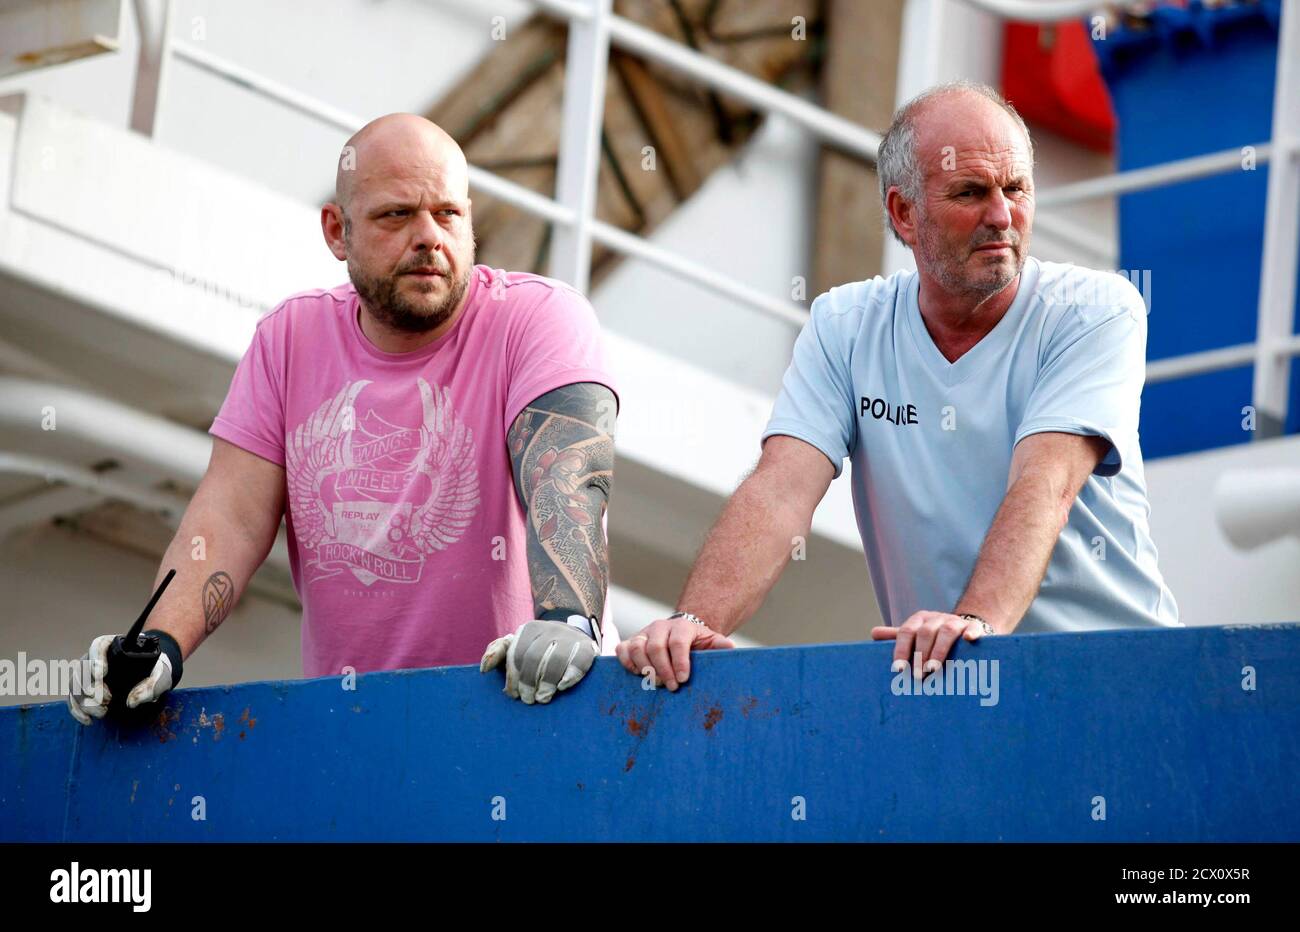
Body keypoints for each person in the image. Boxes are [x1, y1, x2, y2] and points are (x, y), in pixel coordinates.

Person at [617, 80, 1179, 691]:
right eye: (971, 192)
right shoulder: (843, 324)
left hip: (1125, 684)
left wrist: (971, 624)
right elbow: (781, 490)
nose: (1001, 216)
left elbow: (1046, 484)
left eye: (1015, 189)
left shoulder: (1097, 308)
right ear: (903, 213)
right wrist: (692, 624)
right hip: (957, 685)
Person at [68, 113, 619, 724]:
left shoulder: (540, 318)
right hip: (348, 735)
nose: (429, 236)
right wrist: (159, 645)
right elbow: (231, 515)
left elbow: (567, 477)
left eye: (448, 214)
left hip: (530, 706)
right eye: (396, 215)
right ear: (337, 230)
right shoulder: (288, 338)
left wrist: (571, 620)